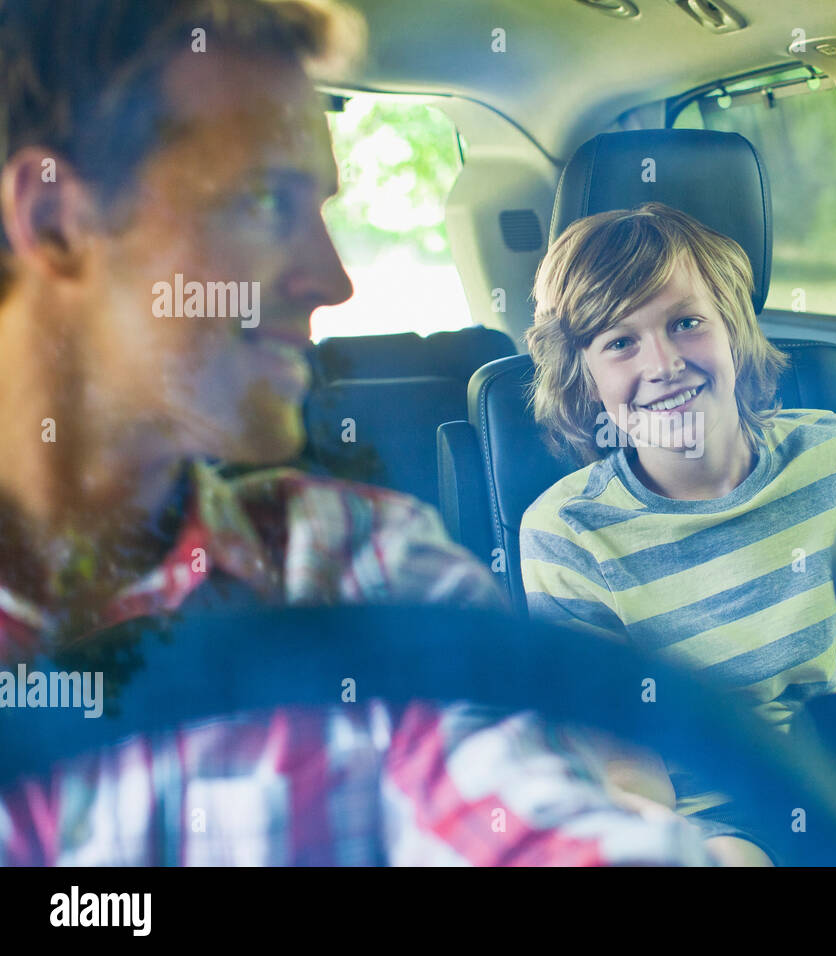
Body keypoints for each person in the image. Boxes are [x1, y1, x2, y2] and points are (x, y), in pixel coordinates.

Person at [0, 0, 717, 866]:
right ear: (50, 221)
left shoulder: (366, 566)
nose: (333, 280)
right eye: (264, 200)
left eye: (324, 210)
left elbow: (523, 808)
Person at [520, 202, 836, 863]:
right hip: (707, 825)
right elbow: (628, 767)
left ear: (733, 330)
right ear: (587, 377)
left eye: (686, 323)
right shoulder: (567, 532)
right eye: (619, 342)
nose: (663, 364)